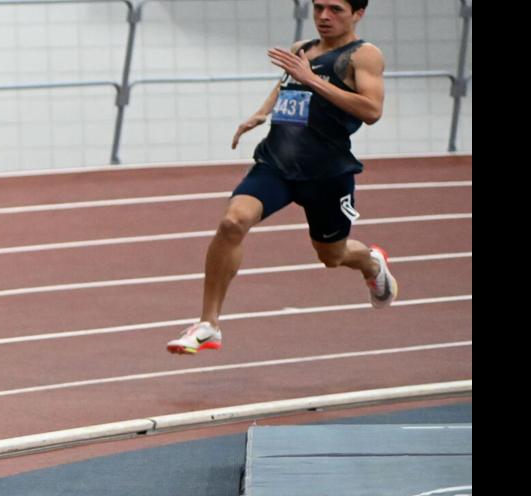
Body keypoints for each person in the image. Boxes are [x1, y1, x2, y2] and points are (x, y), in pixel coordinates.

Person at [167, 0, 395, 355]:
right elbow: (287, 83)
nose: (323, 16)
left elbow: (372, 110)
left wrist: (313, 80)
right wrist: (261, 113)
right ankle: (208, 324)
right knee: (232, 222)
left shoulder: (363, 56)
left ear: (358, 14)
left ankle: (370, 261)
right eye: (319, 7)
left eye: (335, 9)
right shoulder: (301, 50)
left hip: (326, 174)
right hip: (276, 163)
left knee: (331, 256)